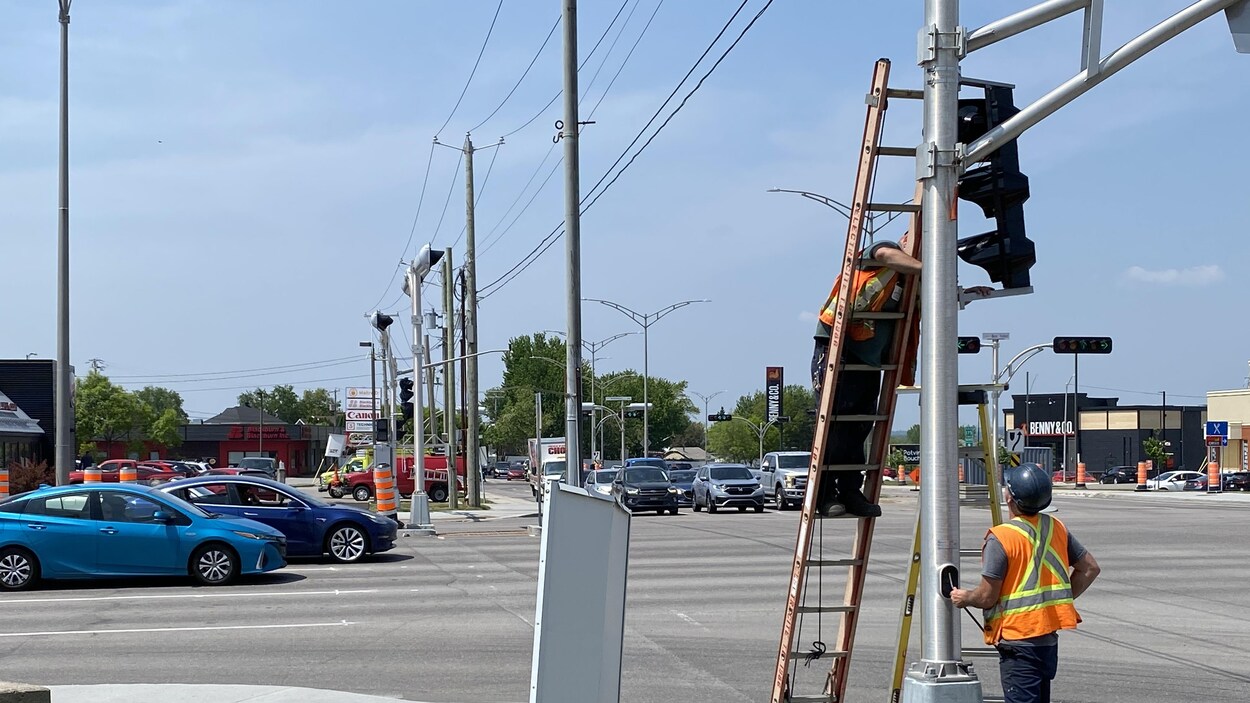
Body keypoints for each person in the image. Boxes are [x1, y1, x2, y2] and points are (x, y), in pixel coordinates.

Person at [811, 239, 991, 517]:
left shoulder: (915, 279)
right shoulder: (882, 250)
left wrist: (962, 292)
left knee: (860, 427)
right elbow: (887, 255)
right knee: (836, 426)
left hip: (869, 360)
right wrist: (934, 268)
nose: (912, 245)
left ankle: (850, 492)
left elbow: (930, 299)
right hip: (838, 348)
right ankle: (824, 496)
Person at [951, 463, 1101, 703]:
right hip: (1047, 642)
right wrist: (1059, 599)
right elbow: (1090, 568)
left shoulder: (1001, 537)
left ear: (1010, 498)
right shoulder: (1056, 527)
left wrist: (964, 597)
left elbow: (987, 597)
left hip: (1019, 642)